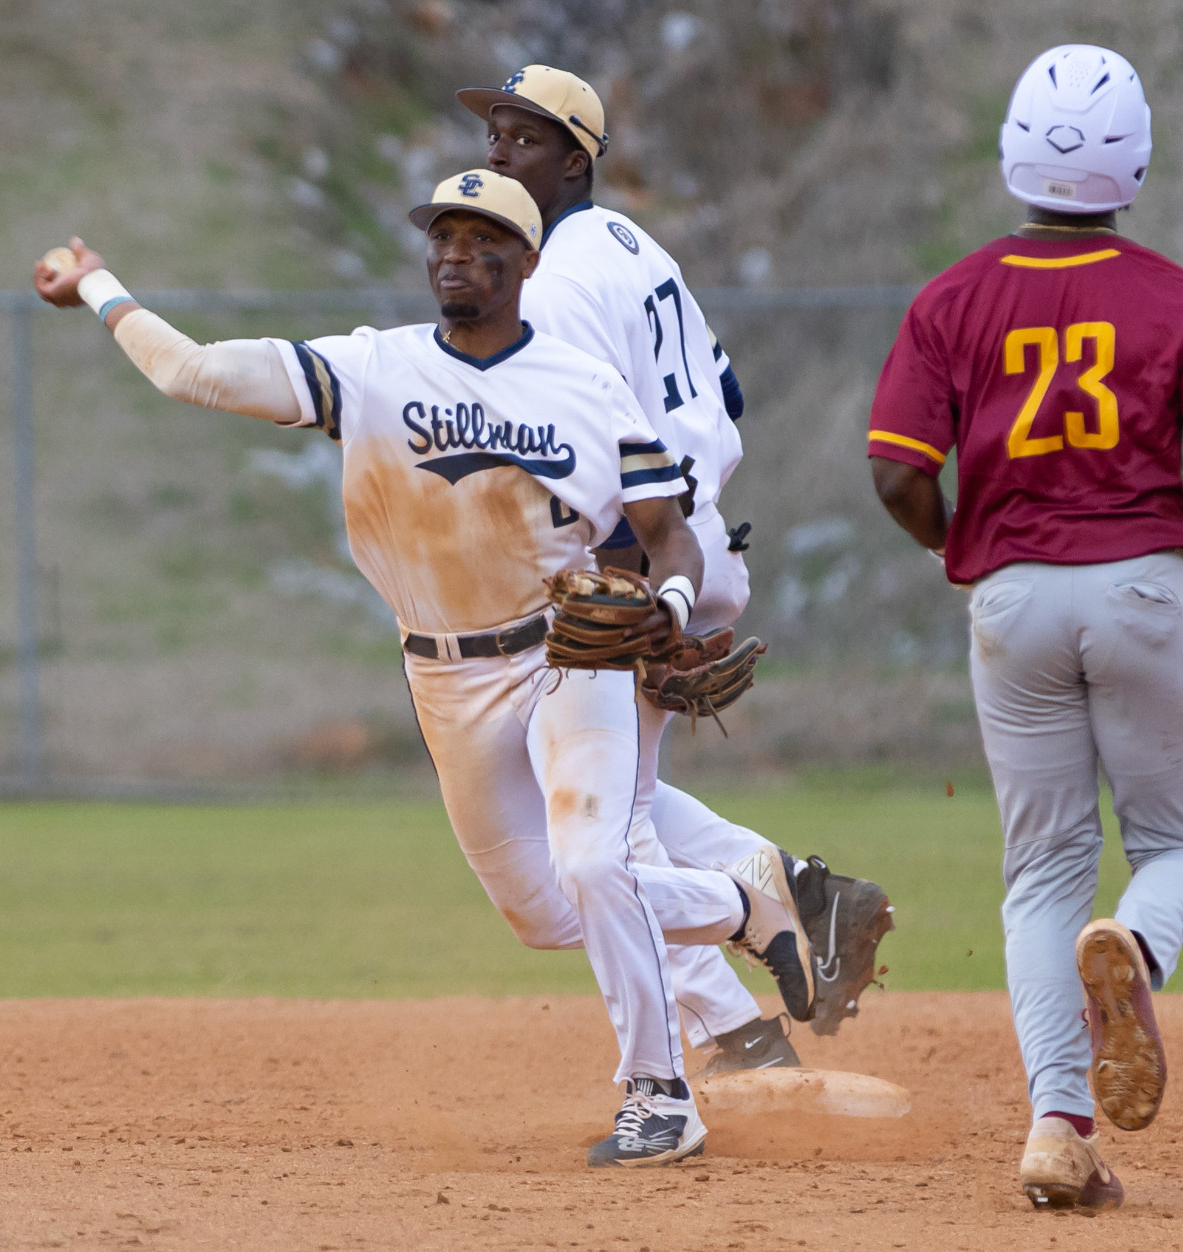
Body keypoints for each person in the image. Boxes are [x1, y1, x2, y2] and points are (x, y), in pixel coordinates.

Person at [32, 168, 836, 1167]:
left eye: (482, 235)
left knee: (594, 865)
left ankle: (658, 1095)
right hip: (442, 675)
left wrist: (668, 607)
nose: (455, 251)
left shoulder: (586, 389)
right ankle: (745, 902)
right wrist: (101, 288)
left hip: (565, 653)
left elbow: (665, 534)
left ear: (527, 262)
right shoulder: (372, 370)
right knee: (545, 913)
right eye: (442, 236)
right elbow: (190, 371)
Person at [865, 44, 1183, 1210]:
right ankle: (1134, 952)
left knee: (1042, 871)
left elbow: (895, 474)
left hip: (1010, 597)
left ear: (1010, 156)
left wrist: (964, 553)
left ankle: (1056, 1127)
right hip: (1140, 580)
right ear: (1133, 163)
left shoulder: (951, 297)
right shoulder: (1182, 299)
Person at [458, 63, 894, 1071]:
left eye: (521, 135)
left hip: (629, 566)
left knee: (597, 840)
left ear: (575, 158)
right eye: (492, 131)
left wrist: (643, 595)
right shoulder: (627, 244)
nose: (495, 149)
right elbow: (724, 391)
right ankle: (793, 893)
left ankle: (739, 1027)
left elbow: (581, 453)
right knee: (617, 807)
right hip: (683, 543)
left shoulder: (554, 284)